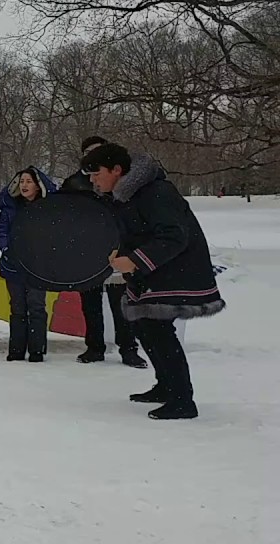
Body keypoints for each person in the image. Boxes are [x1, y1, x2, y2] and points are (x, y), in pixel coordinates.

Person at [82, 144, 225, 420]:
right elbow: (137, 232)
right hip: (152, 274)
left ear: (117, 170)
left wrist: (134, 260)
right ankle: (166, 386)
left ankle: (182, 399)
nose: (93, 180)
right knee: (144, 327)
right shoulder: (126, 196)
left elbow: (174, 236)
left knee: (158, 330)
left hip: (177, 273)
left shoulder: (157, 192)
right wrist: (122, 255)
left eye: (96, 172)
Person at [61, 136, 147, 368]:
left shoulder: (123, 182)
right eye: (88, 152)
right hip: (86, 251)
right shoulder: (73, 183)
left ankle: (129, 348)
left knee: (121, 302)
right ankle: (94, 347)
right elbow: (63, 216)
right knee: (90, 304)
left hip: (117, 248)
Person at [0, 167, 58, 362]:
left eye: (28, 181)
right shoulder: (11, 208)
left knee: (37, 306)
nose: (24, 185)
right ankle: (16, 350)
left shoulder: (47, 209)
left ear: (38, 186)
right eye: (21, 181)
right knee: (17, 308)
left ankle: (37, 350)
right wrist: (7, 249)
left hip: (38, 268)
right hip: (13, 265)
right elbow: (1, 231)